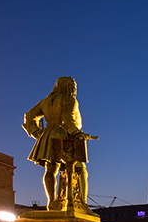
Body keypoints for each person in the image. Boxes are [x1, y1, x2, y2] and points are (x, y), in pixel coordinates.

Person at [23, 77, 96, 211]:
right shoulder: (69, 99)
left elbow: (29, 116)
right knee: (80, 169)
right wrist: (78, 134)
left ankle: (52, 202)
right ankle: (81, 203)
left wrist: (36, 133)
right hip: (65, 136)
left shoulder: (45, 102)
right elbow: (67, 119)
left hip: (48, 136)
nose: (74, 89)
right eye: (73, 86)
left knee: (51, 169)